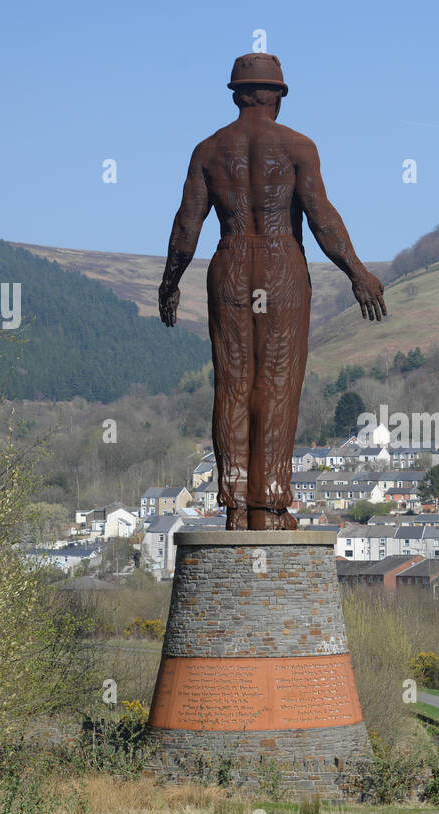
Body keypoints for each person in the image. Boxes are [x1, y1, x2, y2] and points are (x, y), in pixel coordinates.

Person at [159, 53, 387, 530]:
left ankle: (236, 504)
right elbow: (320, 216)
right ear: (277, 96)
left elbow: (186, 225)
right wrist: (357, 273)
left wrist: (170, 282)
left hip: (230, 264)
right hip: (281, 263)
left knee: (233, 383)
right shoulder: (297, 147)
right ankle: (270, 504)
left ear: (237, 95)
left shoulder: (208, 151)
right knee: (277, 382)